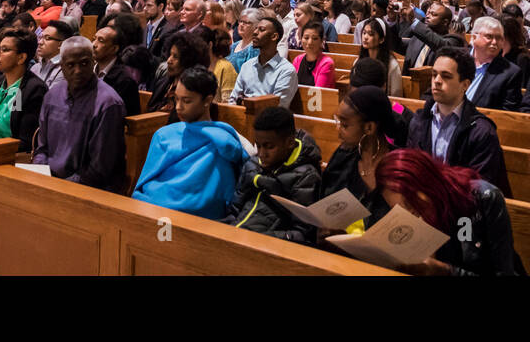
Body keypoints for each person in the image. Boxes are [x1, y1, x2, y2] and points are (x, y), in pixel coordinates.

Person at [374, 149, 524, 275]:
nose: (412, 213)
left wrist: (444, 271)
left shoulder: (483, 198)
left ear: (426, 184)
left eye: (411, 203)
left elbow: (503, 273)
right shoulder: (412, 217)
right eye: (400, 210)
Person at [133, 66, 247, 219]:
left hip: (200, 219)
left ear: (207, 100)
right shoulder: (163, 135)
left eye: (186, 101)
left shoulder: (223, 142)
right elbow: (144, 185)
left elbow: (216, 196)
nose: (178, 107)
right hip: (156, 210)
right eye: (176, 99)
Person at [405, 45, 509, 195]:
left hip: (461, 213)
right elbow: (410, 169)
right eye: (434, 75)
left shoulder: (481, 131)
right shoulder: (420, 121)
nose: (437, 81)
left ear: (465, 85)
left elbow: (479, 190)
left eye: (446, 76)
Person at [32, 39, 127, 192]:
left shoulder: (108, 103)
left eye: (84, 64)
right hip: (52, 181)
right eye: (70, 65)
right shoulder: (52, 95)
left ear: (93, 62)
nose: (78, 71)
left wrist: (60, 187)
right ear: (61, 66)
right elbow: (42, 148)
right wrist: (39, 173)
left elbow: (100, 168)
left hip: (89, 189)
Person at [221, 106, 322, 242]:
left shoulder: (305, 177)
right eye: (258, 145)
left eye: (269, 147)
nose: (262, 154)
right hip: (239, 236)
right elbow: (234, 210)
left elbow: (303, 233)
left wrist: (263, 238)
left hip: (269, 246)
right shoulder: (253, 164)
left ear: (290, 142)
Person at [321, 86, 403, 230]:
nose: (337, 129)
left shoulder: (397, 166)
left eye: (344, 125)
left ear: (369, 128)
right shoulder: (343, 155)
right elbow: (325, 201)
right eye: (337, 121)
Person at [0, 31, 47, 151]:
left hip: (9, 159)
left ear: (21, 58)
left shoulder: (33, 90)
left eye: (4, 50)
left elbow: (25, 142)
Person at [229, 16, 298, 107]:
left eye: (261, 30)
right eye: (255, 29)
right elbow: (233, 100)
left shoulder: (286, 70)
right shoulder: (247, 65)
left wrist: (244, 102)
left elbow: (277, 107)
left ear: (274, 37)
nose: (255, 32)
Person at [465, 16, 523, 111]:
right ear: (474, 37)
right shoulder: (455, 59)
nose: (495, 42)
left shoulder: (510, 73)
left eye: (499, 38)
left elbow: (507, 113)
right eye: (489, 37)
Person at [148, 30, 211, 114]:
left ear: (188, 61)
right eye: (170, 55)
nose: (169, 60)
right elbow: (149, 109)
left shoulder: (196, 89)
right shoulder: (163, 82)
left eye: (175, 57)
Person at [92, 23, 141, 116]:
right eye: (94, 39)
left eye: (101, 41)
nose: (94, 44)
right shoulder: (89, 70)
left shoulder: (125, 80)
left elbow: (122, 116)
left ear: (114, 49)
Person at [358, 17, 402, 96]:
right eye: (364, 33)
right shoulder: (358, 62)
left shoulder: (392, 65)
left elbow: (397, 99)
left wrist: (399, 108)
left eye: (370, 34)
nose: (365, 37)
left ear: (381, 39)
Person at [292, 21, 336, 88]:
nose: (309, 42)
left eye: (315, 38)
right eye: (306, 38)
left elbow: (317, 93)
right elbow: (290, 85)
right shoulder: (298, 60)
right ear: (301, 39)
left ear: (321, 41)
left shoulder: (327, 63)